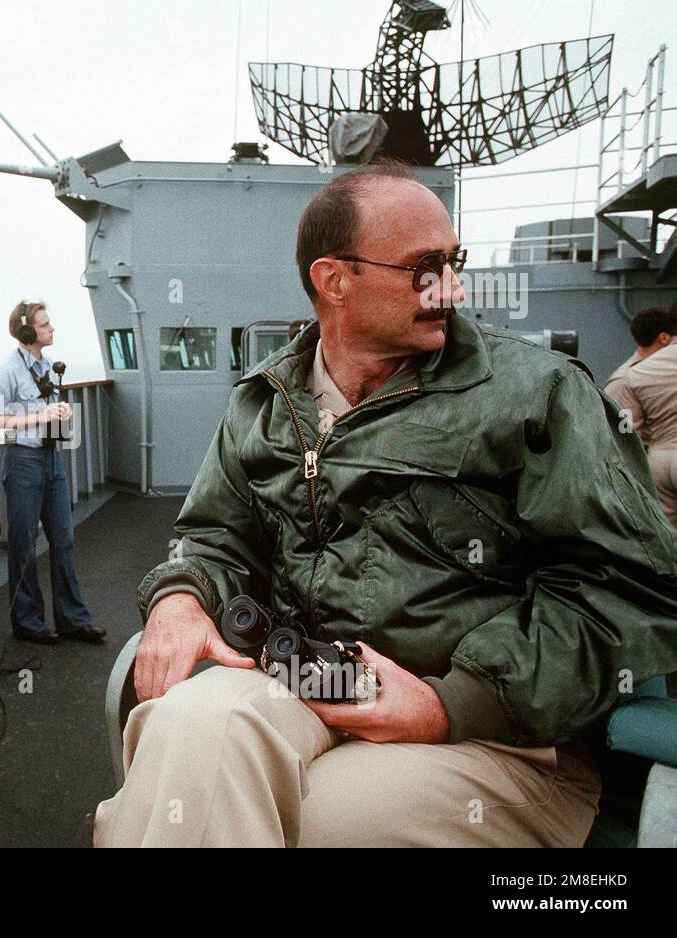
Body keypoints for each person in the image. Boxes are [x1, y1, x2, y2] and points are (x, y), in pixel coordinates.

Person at [94, 161, 677, 847]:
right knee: (184, 739)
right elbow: (215, 537)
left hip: (492, 734)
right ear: (334, 280)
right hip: (312, 677)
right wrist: (181, 596)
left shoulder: (539, 395)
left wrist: (447, 703)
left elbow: (626, 591)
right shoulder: (265, 401)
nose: (451, 288)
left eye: (454, 263)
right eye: (424, 267)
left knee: (315, 822)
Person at [0, 301, 104, 645]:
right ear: (27, 332)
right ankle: (28, 624)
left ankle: (72, 620)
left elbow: (45, 406)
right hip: (23, 461)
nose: (52, 329)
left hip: (52, 461)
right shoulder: (7, 372)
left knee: (63, 541)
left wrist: (59, 410)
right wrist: (38, 417)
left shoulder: (48, 367)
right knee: (23, 543)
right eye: (45, 325)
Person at [604, 303, 677, 526]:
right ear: (663, 338)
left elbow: (627, 428)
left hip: (659, 461)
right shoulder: (624, 379)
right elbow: (623, 433)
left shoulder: (634, 374)